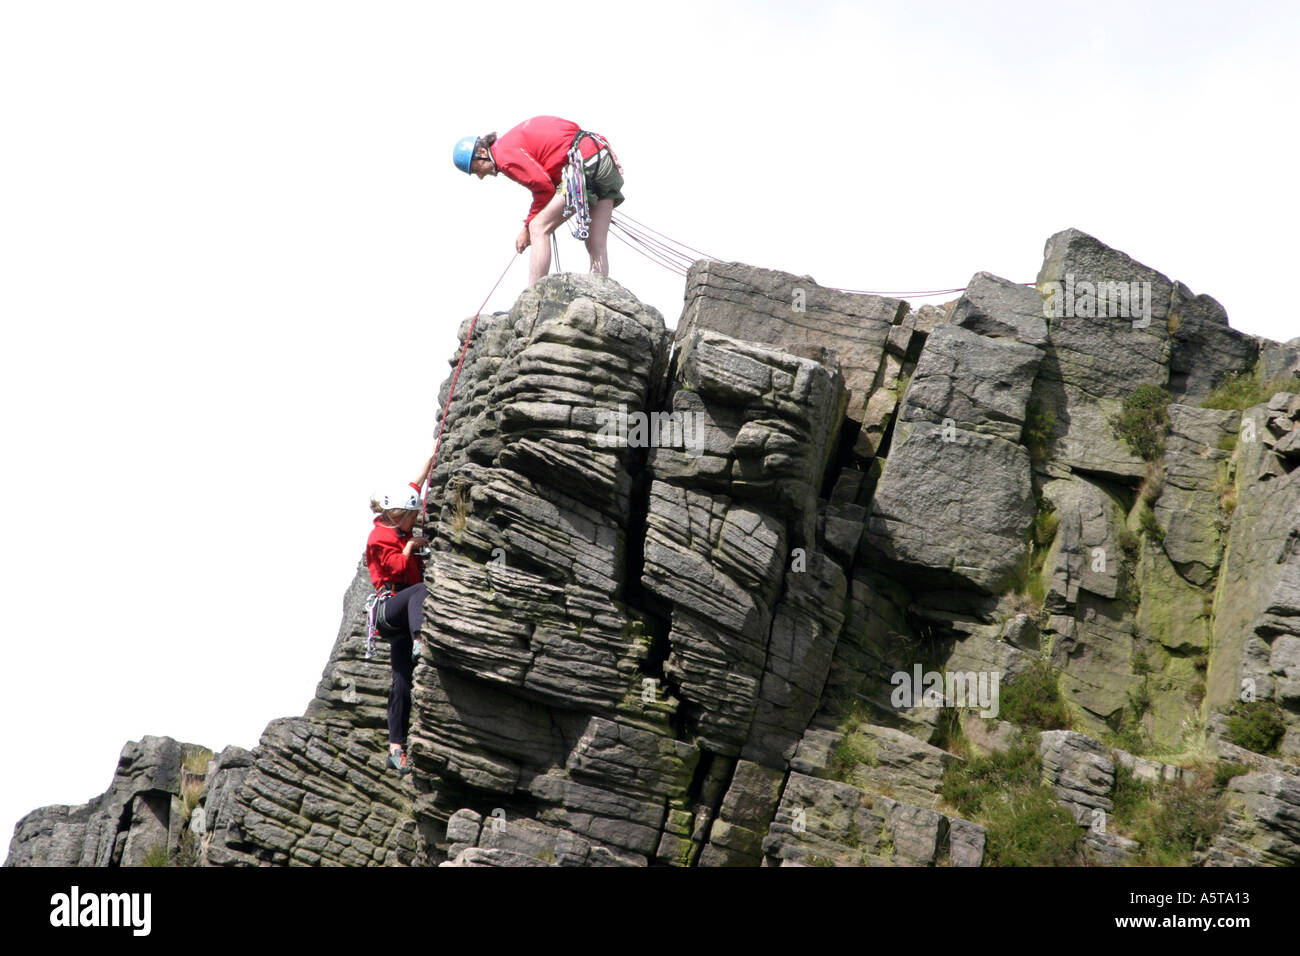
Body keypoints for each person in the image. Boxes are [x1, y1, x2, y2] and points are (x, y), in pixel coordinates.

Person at [453, 116, 624, 287]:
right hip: (601, 158)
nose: (481, 176)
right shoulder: (511, 141)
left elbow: (544, 188)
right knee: (596, 243)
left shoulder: (504, 156)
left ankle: (533, 296)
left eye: (477, 170)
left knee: (538, 228)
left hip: (584, 166)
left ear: (482, 153)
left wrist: (527, 228)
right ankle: (599, 293)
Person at [364, 452, 434, 774]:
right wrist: (410, 546)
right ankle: (421, 639)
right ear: (399, 515)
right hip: (388, 610)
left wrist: (431, 457)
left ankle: (396, 747)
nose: (414, 521)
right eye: (411, 516)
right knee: (420, 591)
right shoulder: (379, 537)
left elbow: (414, 485)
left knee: (402, 680)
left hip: (402, 617)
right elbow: (395, 567)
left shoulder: (399, 522)